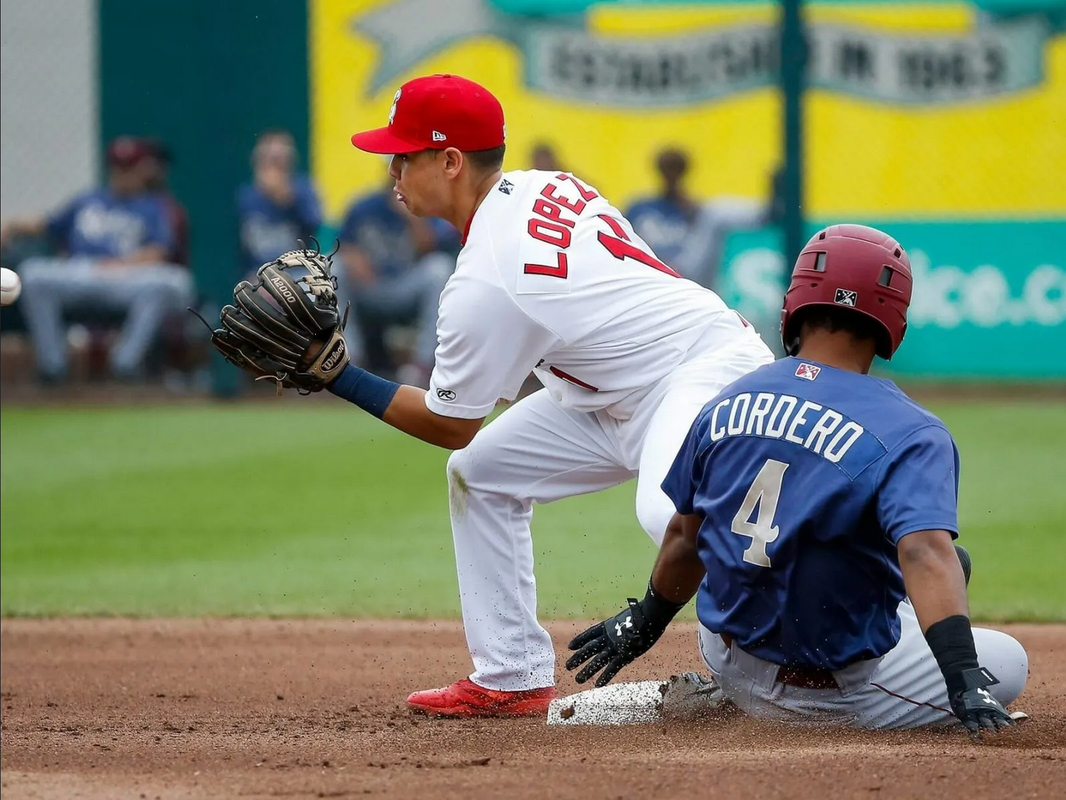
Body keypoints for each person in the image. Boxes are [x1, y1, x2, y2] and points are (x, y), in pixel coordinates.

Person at [331, 73, 774, 717]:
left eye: (405, 153)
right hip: (612, 393)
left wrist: (338, 376)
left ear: (451, 161)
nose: (392, 168)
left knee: (666, 513)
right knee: (480, 474)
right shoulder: (540, 186)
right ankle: (510, 674)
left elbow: (450, 421)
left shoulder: (486, 276)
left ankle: (803, 641)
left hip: (699, 374)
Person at [564, 224, 1028, 733]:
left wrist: (645, 622)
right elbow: (923, 552)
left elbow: (683, 537)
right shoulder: (912, 430)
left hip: (724, 651)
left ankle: (716, 690)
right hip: (831, 693)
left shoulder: (729, 398)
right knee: (1004, 657)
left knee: (941, 568)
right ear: (891, 320)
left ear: (796, 303)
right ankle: (780, 706)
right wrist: (964, 680)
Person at [1, 136, 191, 382]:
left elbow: (159, 252)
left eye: (130, 168)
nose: (124, 174)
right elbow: (47, 224)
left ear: (140, 170)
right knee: (33, 274)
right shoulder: (88, 199)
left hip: (126, 278)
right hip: (81, 273)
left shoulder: (153, 206)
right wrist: (10, 225)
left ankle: (125, 365)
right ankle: (52, 367)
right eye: (119, 167)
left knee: (172, 281)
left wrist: (123, 265)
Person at [336, 183, 458, 382]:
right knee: (336, 268)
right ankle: (350, 361)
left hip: (405, 287)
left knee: (439, 268)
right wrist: (352, 258)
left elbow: (430, 247)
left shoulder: (425, 206)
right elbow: (344, 247)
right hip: (369, 287)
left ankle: (422, 364)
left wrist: (412, 217)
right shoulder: (364, 206)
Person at [627, 148, 774, 290]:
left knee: (715, 213)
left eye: (676, 168)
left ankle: (771, 208)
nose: (671, 174)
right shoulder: (640, 209)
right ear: (659, 170)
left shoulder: (698, 210)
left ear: (684, 171)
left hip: (690, 277)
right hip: (652, 275)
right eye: (668, 168)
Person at [237, 130, 322, 279]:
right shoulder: (248, 196)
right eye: (268, 159)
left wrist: (286, 198)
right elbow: (245, 248)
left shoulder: (303, 189)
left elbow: (315, 224)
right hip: (259, 273)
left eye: (278, 160)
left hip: (298, 271)